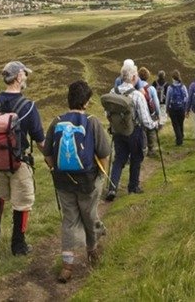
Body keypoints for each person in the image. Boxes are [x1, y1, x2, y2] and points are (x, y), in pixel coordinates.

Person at [0, 61, 45, 257]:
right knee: (22, 202)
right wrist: (49, 157)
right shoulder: (28, 106)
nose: (26, 78)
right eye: (25, 74)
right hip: (19, 163)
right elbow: (39, 139)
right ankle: (18, 246)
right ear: (18, 77)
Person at [43, 80, 112, 283]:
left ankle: (67, 266)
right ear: (86, 101)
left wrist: (54, 169)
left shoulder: (56, 121)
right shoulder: (92, 122)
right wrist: (102, 176)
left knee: (69, 220)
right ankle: (93, 252)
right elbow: (104, 153)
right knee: (89, 216)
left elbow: (47, 154)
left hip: (63, 181)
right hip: (88, 182)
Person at [106, 62, 154, 200]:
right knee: (136, 157)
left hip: (118, 131)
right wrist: (154, 125)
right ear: (133, 77)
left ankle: (112, 188)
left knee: (119, 159)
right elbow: (145, 119)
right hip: (134, 131)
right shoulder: (137, 95)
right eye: (136, 75)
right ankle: (133, 187)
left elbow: (107, 113)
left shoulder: (112, 92)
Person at [137, 67, 161, 157]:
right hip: (150, 112)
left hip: (140, 113)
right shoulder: (151, 88)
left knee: (142, 130)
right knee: (151, 130)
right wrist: (158, 114)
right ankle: (151, 149)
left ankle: (143, 148)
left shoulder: (136, 88)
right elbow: (156, 102)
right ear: (147, 76)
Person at [164, 70, 188, 146]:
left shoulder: (170, 88)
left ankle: (179, 140)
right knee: (180, 123)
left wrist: (167, 109)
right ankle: (181, 137)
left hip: (173, 109)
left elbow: (167, 99)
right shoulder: (183, 87)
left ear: (172, 78)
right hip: (181, 108)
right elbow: (186, 98)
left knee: (175, 124)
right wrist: (186, 108)